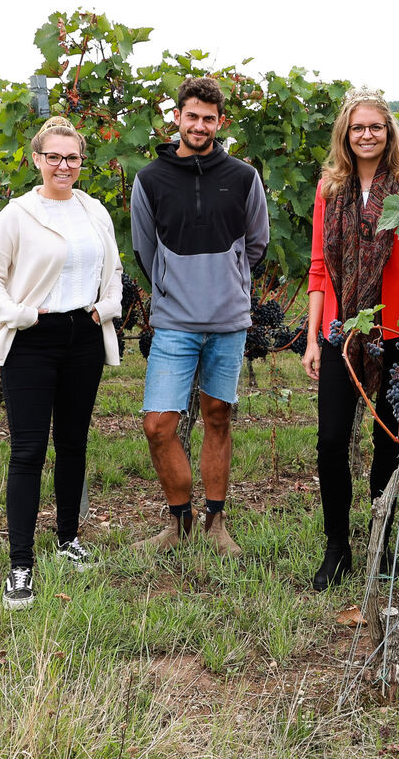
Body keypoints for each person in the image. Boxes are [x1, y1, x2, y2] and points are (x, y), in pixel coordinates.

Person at [0, 116, 124, 610]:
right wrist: (18, 314)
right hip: (33, 339)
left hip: (84, 335)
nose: (64, 165)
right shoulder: (16, 215)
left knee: (74, 444)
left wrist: (107, 306)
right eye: (54, 156)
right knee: (28, 451)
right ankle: (21, 566)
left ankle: (66, 540)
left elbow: (114, 268)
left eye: (72, 157)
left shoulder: (94, 210)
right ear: (37, 159)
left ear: (81, 161)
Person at [300, 86, 399, 591]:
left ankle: (382, 543)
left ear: (388, 132)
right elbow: (318, 268)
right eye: (357, 127)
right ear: (346, 133)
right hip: (343, 331)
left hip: (398, 332)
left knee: (387, 442)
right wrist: (314, 338)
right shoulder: (328, 188)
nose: (366, 135)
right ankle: (337, 545)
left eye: (375, 127)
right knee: (331, 441)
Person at [130, 76, 269, 555]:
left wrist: (225, 281)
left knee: (217, 418)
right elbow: (143, 249)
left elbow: (256, 243)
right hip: (173, 323)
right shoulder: (149, 179)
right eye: (192, 116)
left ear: (220, 122)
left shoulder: (244, 177)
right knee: (158, 425)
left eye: (209, 118)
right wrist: (175, 285)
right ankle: (178, 520)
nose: (200, 125)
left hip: (228, 323)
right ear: (178, 118)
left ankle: (215, 521)